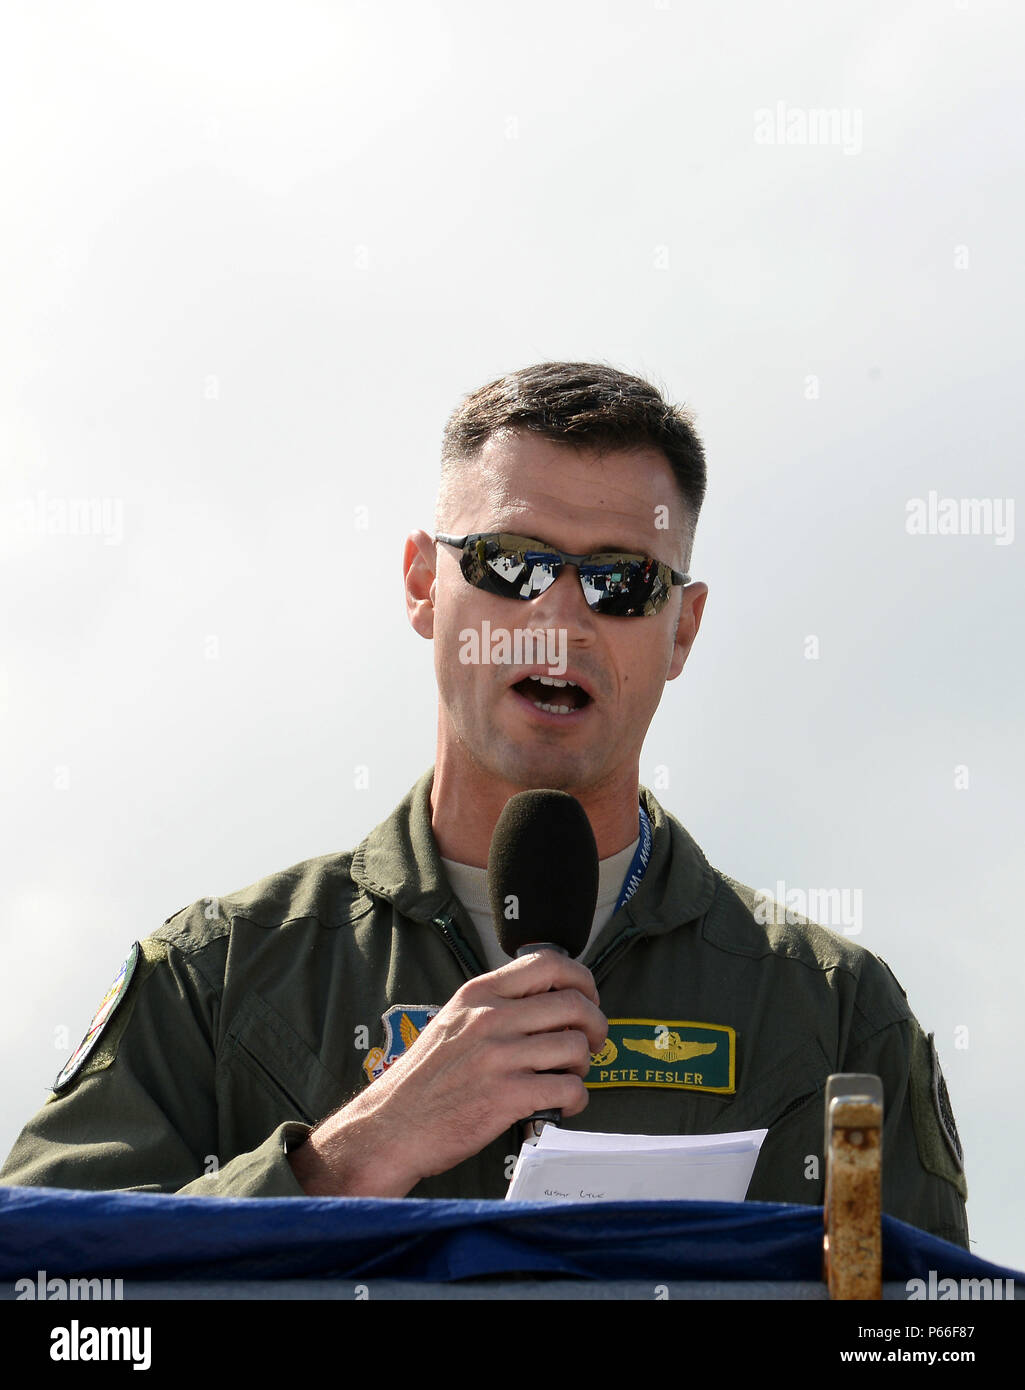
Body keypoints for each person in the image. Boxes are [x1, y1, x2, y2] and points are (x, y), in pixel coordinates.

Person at [0, 362, 969, 1248]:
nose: (559, 618)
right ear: (424, 583)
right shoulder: (218, 979)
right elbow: (45, 1295)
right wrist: (345, 1161)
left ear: (682, 629)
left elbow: (930, 1344)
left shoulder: (831, 1011)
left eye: (621, 582)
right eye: (510, 562)